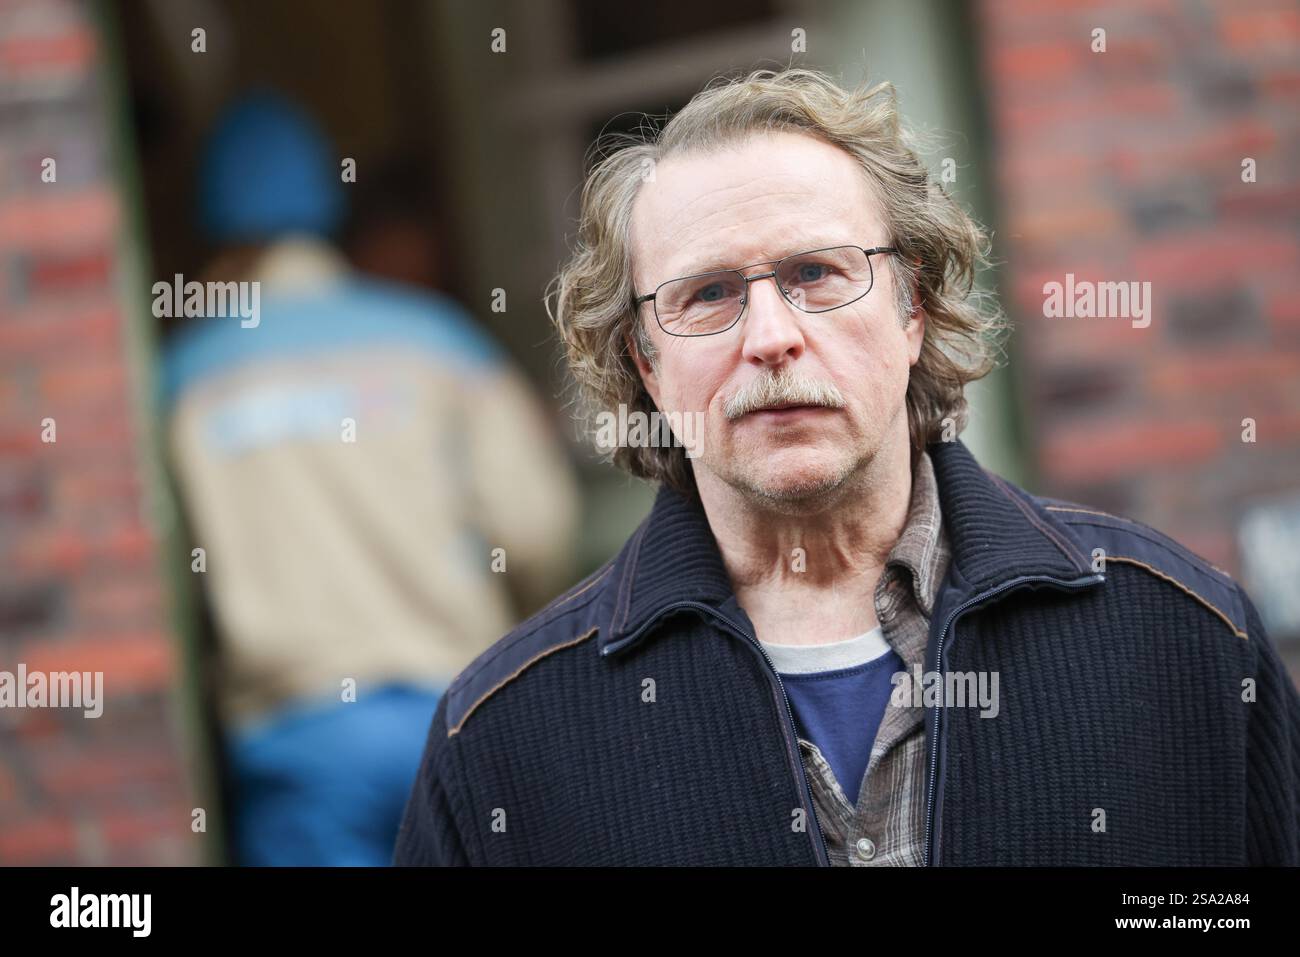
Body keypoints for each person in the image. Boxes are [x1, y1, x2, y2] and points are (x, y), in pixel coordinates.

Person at [393, 68, 1300, 866]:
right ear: (645, 365)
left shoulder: (1184, 640)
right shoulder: (502, 740)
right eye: (706, 295)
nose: (772, 337)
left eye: (818, 274)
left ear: (913, 309)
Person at [161, 93, 579, 865]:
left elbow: (160, 582)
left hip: (301, 744)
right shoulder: (436, 340)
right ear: (331, 204)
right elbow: (534, 526)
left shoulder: (181, 379)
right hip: (463, 710)